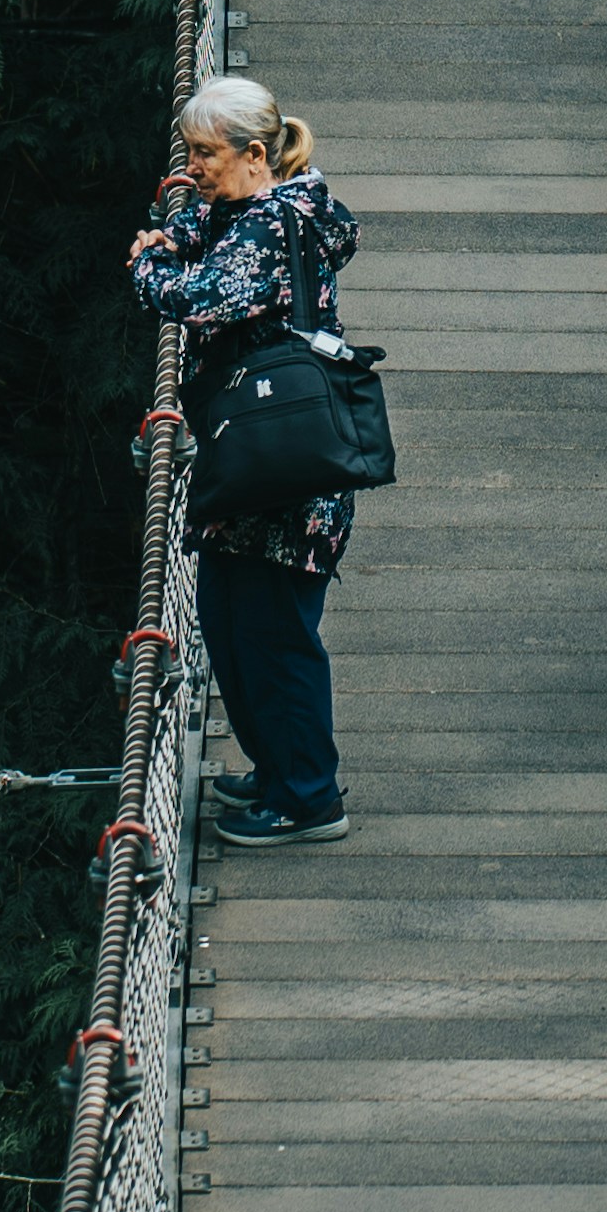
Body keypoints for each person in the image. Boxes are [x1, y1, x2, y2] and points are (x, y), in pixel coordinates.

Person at [129, 74, 360, 850]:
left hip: (285, 479)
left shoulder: (268, 228)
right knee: (232, 627)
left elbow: (196, 299)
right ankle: (277, 770)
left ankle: (309, 799)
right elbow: (215, 233)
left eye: (204, 154)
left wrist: (146, 263)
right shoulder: (270, 208)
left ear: (254, 154)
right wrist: (182, 232)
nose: (191, 168)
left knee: (275, 639)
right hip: (262, 461)